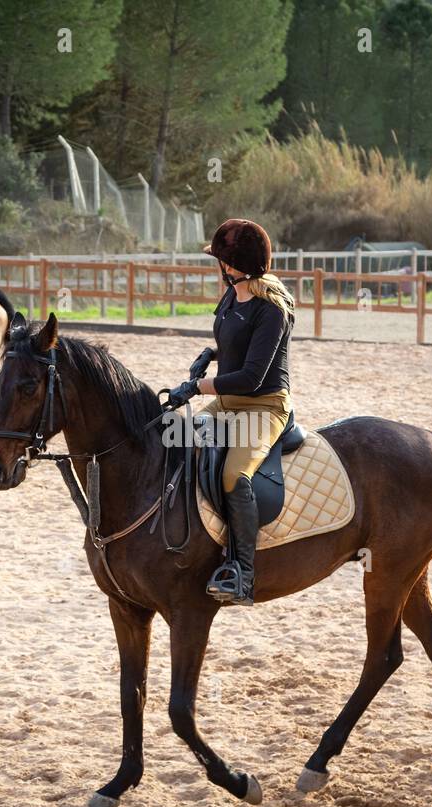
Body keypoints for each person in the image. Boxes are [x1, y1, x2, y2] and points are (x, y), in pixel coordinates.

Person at [166, 219, 294, 606]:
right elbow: (238, 346)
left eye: (220, 261)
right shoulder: (232, 296)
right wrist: (213, 354)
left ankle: (242, 574)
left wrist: (197, 387)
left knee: (233, 477)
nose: (217, 267)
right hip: (227, 402)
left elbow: (253, 376)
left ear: (232, 265)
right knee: (174, 439)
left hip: (264, 406)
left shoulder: (271, 308)